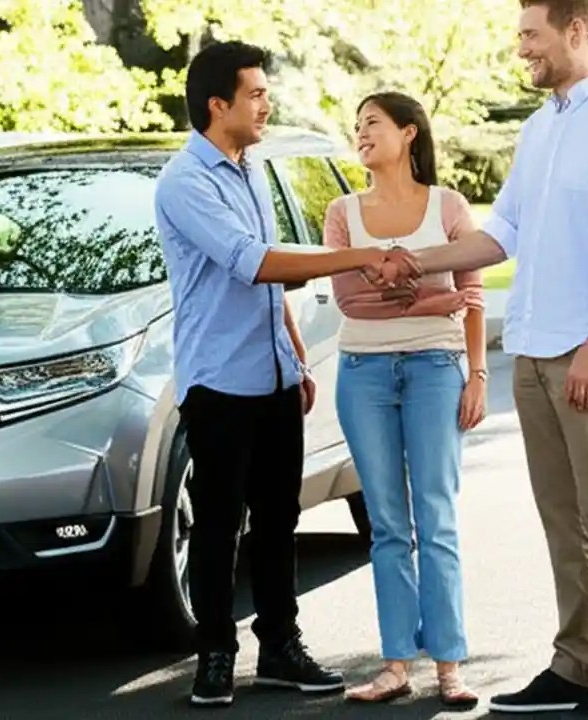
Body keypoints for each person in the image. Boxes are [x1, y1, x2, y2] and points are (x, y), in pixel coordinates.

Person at [368, 1, 588, 718]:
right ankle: (576, 666)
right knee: (563, 523)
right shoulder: (540, 129)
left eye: (530, 35)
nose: (520, 51)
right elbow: (500, 232)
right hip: (535, 351)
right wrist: (416, 262)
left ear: (575, 30)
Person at [152, 40, 403, 708]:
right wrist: (353, 258)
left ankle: (281, 649)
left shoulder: (252, 166)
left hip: (273, 378)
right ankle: (214, 655)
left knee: (276, 520)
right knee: (216, 525)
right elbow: (254, 261)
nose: (268, 102)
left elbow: (271, 290)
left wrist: (293, 355)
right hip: (218, 383)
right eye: (256, 93)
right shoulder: (185, 182)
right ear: (217, 104)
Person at [322, 91, 487, 708]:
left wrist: (478, 375)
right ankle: (395, 665)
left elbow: (470, 293)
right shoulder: (342, 213)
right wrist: (431, 294)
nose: (360, 133)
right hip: (362, 372)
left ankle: (449, 666)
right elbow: (350, 300)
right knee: (388, 524)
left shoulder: (448, 206)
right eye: (356, 124)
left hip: (437, 370)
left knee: (436, 517)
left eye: (371, 123)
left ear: (408, 133)